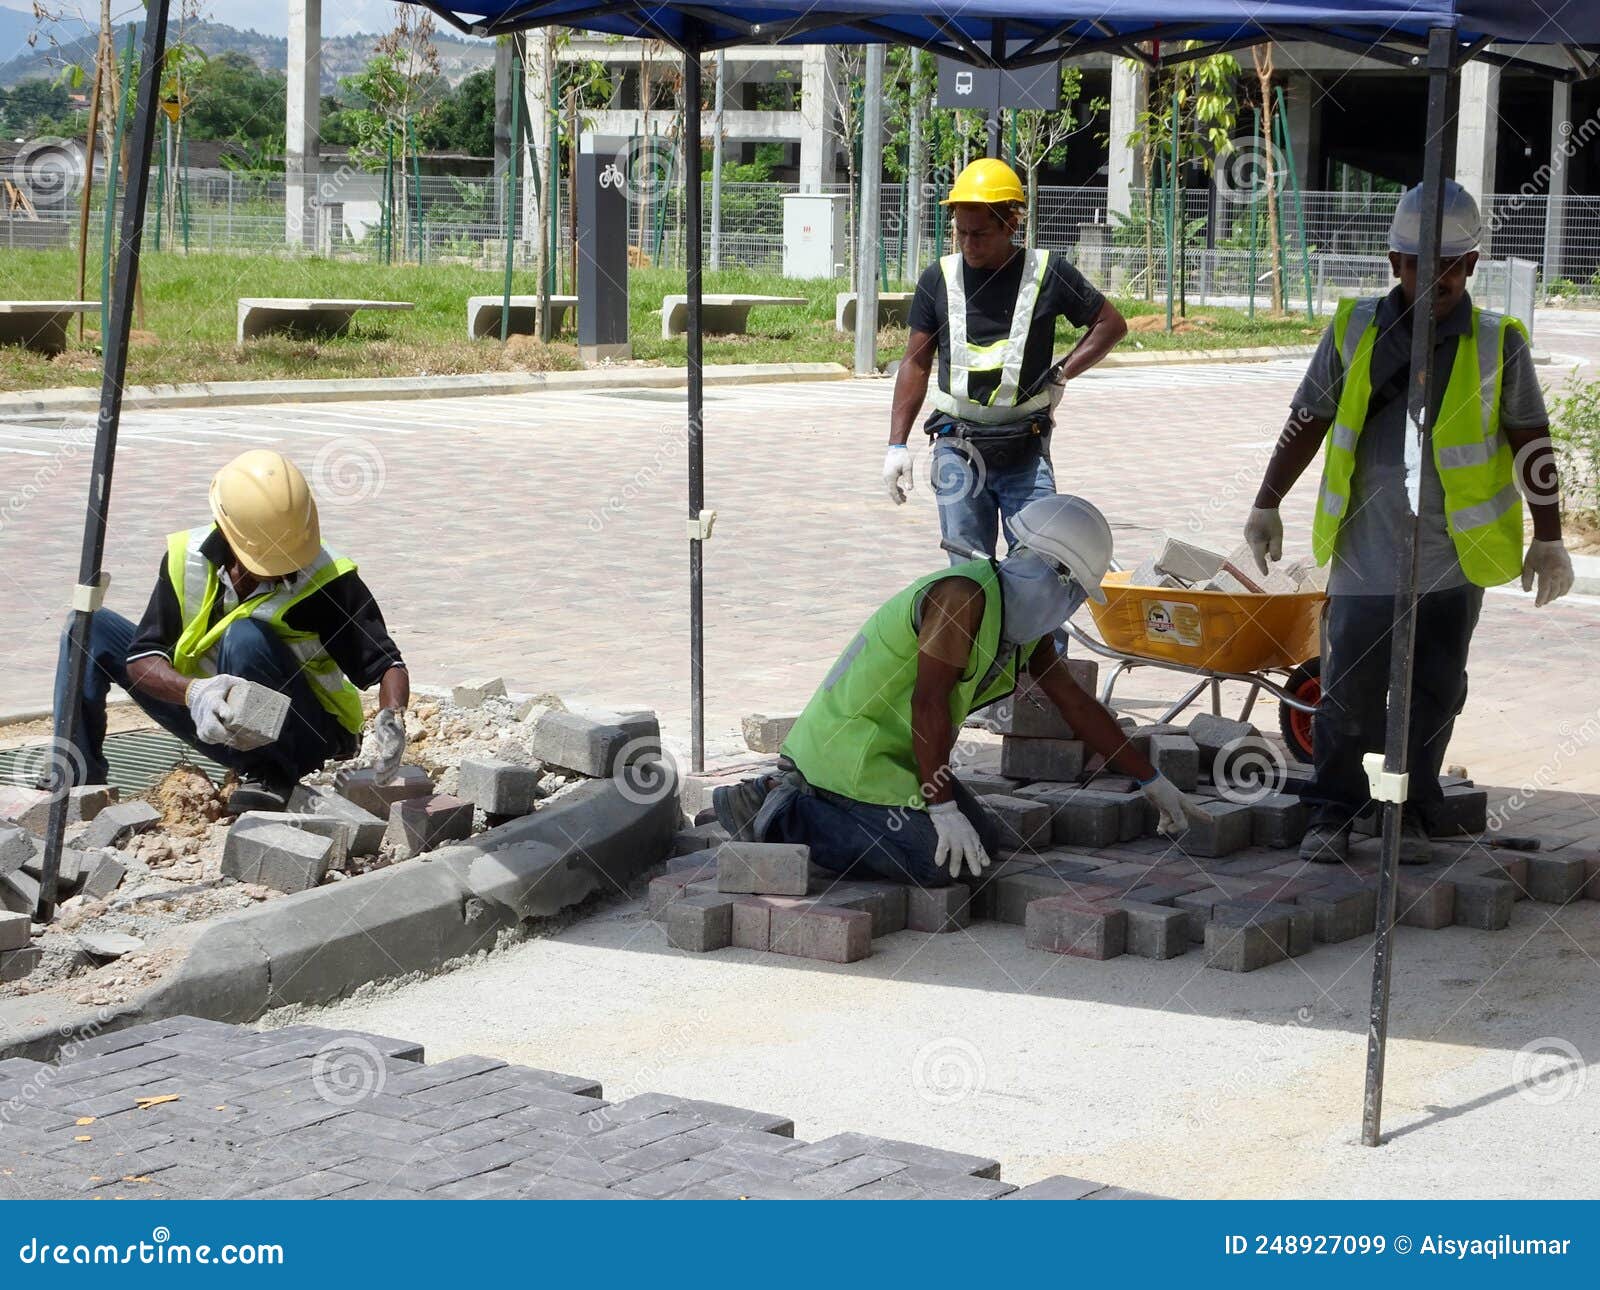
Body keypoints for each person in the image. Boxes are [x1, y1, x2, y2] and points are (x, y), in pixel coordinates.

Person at [1243, 180, 1573, 865]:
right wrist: (1267, 499)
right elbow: (1309, 418)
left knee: (1436, 689)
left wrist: (1550, 536)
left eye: (1455, 263)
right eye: (1426, 262)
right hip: (1367, 550)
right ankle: (1333, 810)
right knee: (1351, 690)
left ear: (1474, 266)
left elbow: (1531, 439)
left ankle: (1411, 809)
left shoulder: (1496, 343)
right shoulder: (1356, 328)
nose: (1442, 277)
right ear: (1396, 263)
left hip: (1456, 555)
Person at [714, 496, 1206, 886]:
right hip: (846, 752)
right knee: (935, 866)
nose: (1072, 605)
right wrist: (943, 809)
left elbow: (1073, 702)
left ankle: (833, 809)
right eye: (1074, 591)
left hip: (900, 759)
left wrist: (1151, 781)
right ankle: (778, 807)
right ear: (1049, 572)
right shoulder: (960, 598)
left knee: (980, 847)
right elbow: (927, 702)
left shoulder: (1020, 627)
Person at [56, 449, 410, 815]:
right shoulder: (187, 560)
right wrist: (195, 693)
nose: (285, 571)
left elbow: (388, 665)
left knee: (244, 636)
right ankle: (77, 784)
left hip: (306, 739)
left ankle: (270, 774)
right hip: (218, 719)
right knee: (89, 629)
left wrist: (391, 720)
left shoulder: (328, 580)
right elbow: (142, 657)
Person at [883, 158, 1127, 561]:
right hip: (957, 449)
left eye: (979, 234)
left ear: (1011, 225)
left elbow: (1110, 323)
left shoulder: (1047, 273)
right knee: (968, 573)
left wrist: (1063, 373)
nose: (968, 244)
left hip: (1024, 451)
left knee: (1039, 565)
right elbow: (915, 362)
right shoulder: (938, 279)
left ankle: (1036, 627)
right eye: (960, 232)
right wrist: (896, 444)